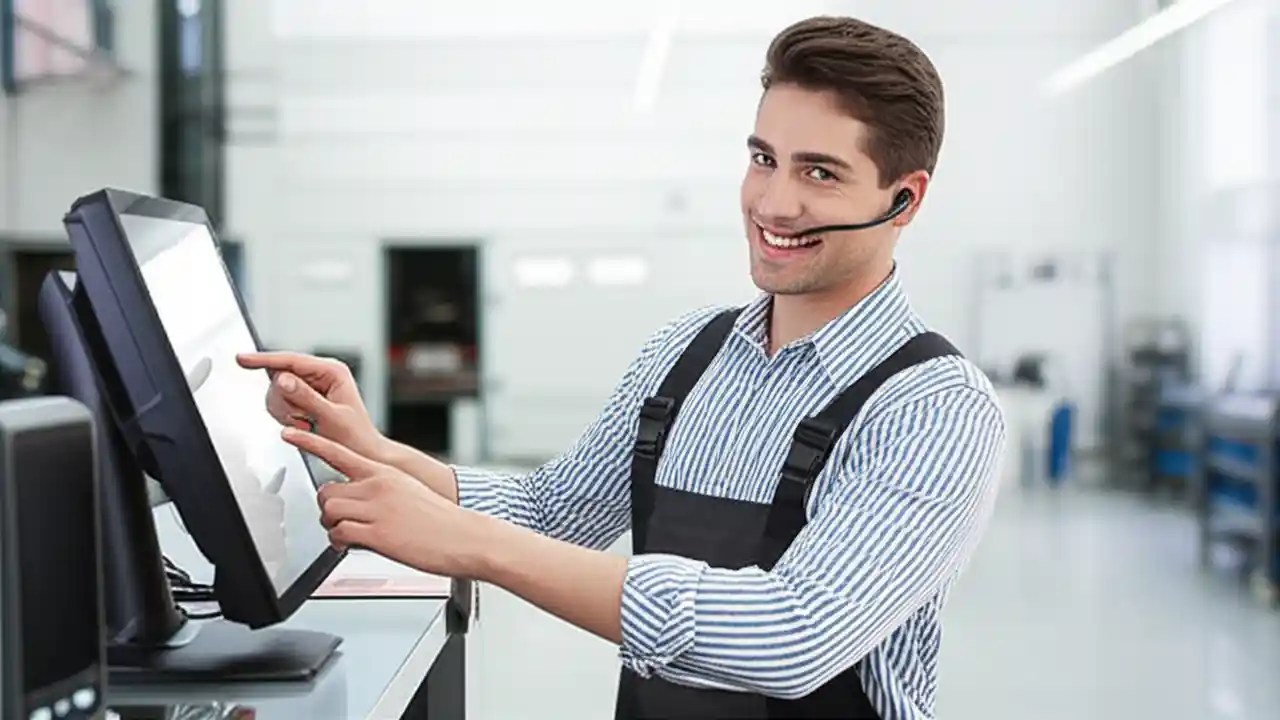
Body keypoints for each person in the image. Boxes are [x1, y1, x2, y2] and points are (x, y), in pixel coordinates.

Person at [238, 15, 1005, 720]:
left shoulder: (936, 409)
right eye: (763, 159)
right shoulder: (685, 356)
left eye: (820, 174)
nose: (774, 203)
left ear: (904, 201)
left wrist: (467, 545)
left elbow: (791, 637)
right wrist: (375, 449)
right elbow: (553, 510)